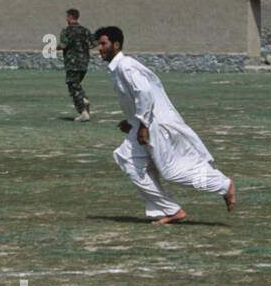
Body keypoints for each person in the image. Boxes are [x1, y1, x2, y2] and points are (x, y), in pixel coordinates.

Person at [93, 26, 234, 224]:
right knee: (129, 160)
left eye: (103, 44)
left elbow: (145, 93)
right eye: (98, 44)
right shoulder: (118, 68)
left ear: (116, 45)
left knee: (172, 173)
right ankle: (170, 209)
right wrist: (133, 121)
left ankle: (222, 185)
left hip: (156, 126)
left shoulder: (125, 66)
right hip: (147, 122)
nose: (99, 48)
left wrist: (142, 124)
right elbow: (139, 97)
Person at [56, 9, 92, 122]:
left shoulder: (66, 31)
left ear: (70, 17)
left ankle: (83, 111)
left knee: (72, 85)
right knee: (76, 84)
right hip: (84, 63)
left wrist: (55, 48)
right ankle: (83, 98)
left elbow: (63, 44)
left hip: (72, 63)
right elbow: (94, 43)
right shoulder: (85, 30)